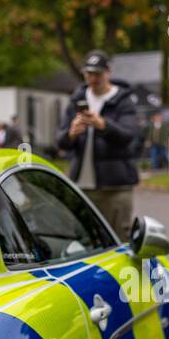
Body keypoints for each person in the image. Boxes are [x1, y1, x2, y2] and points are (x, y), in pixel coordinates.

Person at [55, 49, 140, 239]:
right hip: (82, 186)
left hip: (115, 186)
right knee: (84, 239)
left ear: (108, 72)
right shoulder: (77, 99)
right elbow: (60, 141)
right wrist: (71, 134)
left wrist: (103, 125)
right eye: (88, 74)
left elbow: (129, 135)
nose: (93, 79)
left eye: (97, 74)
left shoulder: (123, 101)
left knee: (118, 238)